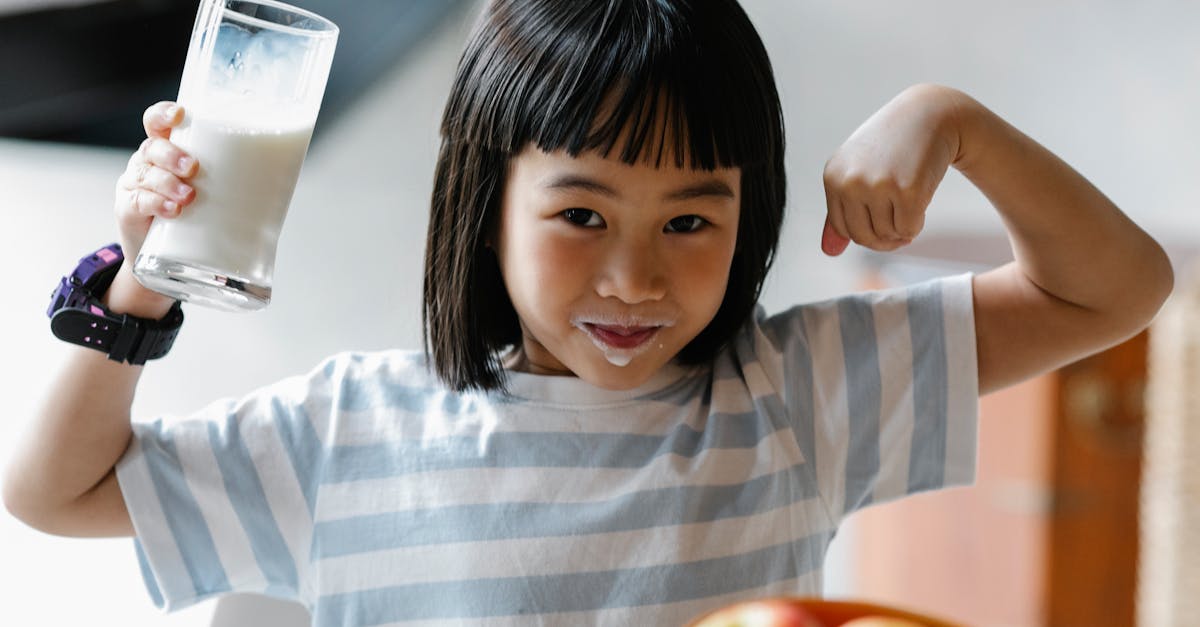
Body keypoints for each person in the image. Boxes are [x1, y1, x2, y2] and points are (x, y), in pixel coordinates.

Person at [3, 0, 1173, 624]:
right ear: (486, 202)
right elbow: (53, 493)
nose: (634, 281)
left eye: (689, 221)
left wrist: (951, 118)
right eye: (581, 216)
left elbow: (1117, 287)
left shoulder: (798, 393)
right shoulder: (350, 428)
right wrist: (145, 281)